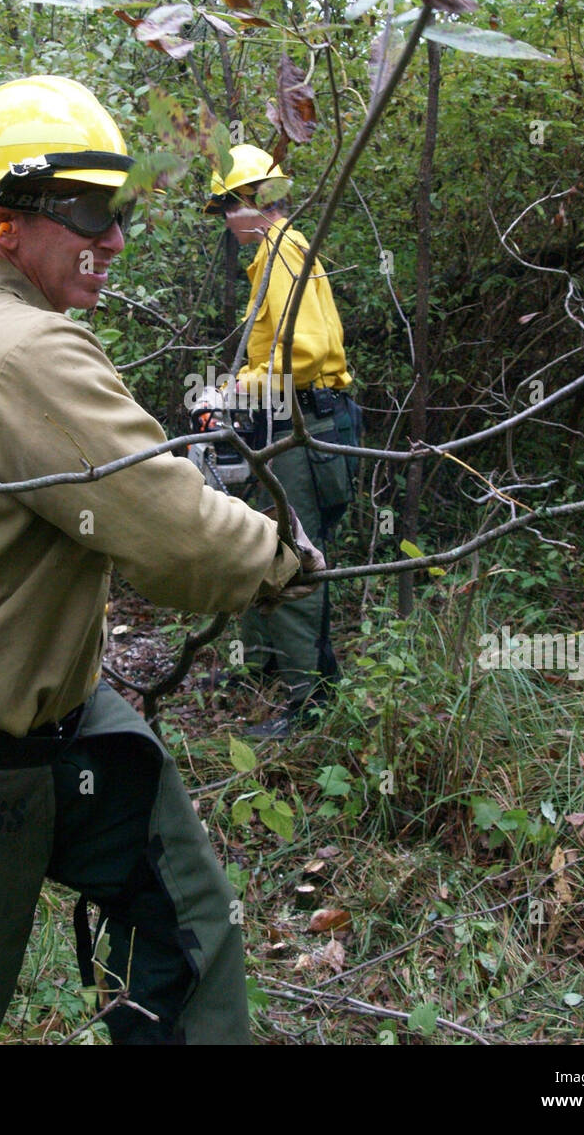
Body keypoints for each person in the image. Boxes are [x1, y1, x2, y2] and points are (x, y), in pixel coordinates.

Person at [0, 77, 324, 1046]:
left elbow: (112, 492)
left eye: (120, 213)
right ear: (7, 220)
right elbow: (175, 539)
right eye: (92, 213)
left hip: (67, 715)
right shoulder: (27, 350)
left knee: (191, 922)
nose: (114, 240)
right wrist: (282, 557)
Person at [203, 145, 359, 741]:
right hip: (284, 421)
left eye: (228, 207)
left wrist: (234, 391)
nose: (225, 221)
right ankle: (263, 667)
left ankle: (312, 703)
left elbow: (307, 354)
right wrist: (232, 392)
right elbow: (276, 354)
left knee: (293, 555)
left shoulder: (282, 249)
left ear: (256, 201)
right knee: (260, 540)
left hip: (305, 425)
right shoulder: (273, 252)